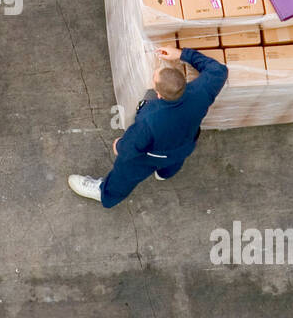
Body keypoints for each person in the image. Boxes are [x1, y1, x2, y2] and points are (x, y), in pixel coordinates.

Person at [69, 46, 227, 208]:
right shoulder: (201, 91)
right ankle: (164, 173)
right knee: (174, 160)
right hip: (185, 144)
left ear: (159, 94)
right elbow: (219, 69)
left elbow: (131, 147)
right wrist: (181, 54)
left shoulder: (149, 119)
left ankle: (106, 194)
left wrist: (119, 146)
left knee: (125, 172)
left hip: (154, 155)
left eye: (154, 78)